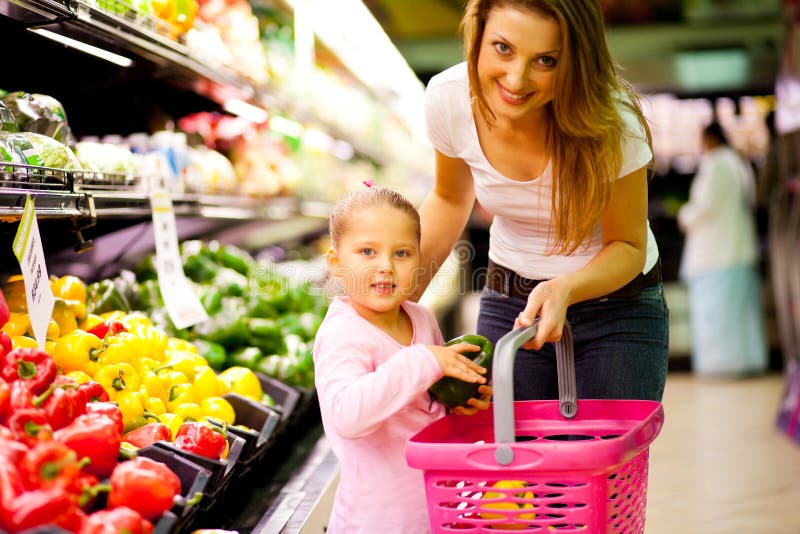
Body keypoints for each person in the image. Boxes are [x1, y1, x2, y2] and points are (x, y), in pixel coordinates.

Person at [417, 0, 668, 402]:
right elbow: (449, 200)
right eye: (503, 48)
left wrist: (564, 289)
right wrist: (393, 304)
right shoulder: (450, 99)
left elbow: (629, 246)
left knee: (602, 459)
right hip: (510, 300)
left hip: (617, 307)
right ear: (478, 33)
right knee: (509, 452)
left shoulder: (612, 121)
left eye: (546, 60)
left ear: (575, 62)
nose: (516, 81)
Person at [313, 185, 493, 534]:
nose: (385, 267)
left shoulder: (420, 318)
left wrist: (464, 403)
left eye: (401, 253)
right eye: (367, 251)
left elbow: (431, 400)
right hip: (374, 523)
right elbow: (347, 416)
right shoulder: (343, 334)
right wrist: (422, 361)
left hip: (435, 512)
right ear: (337, 263)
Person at [677, 121, 767, 377]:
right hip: (738, 251)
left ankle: (722, 365)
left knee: (717, 314)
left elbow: (704, 207)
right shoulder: (739, 163)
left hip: (715, 255)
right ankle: (744, 363)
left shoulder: (716, 165)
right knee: (740, 314)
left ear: (711, 139)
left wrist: (684, 216)